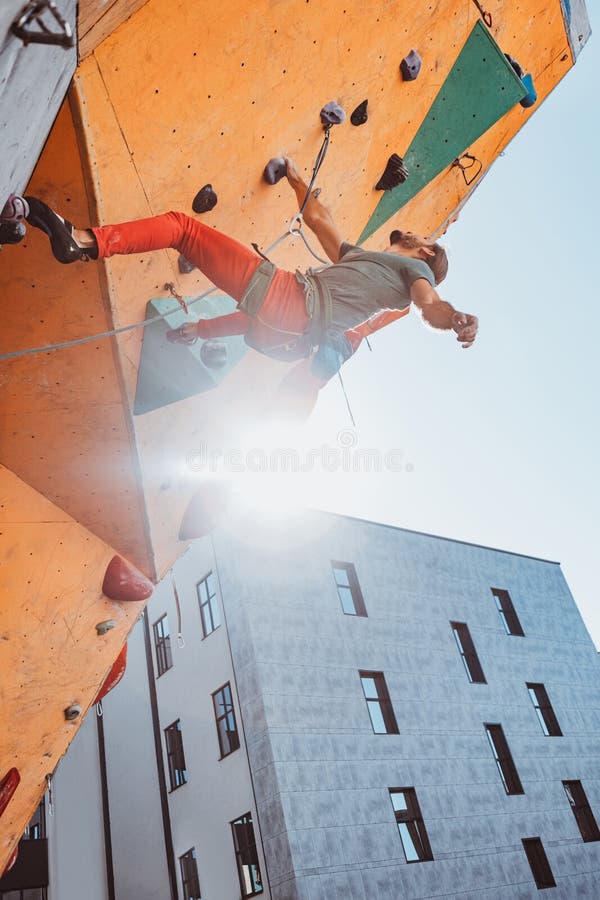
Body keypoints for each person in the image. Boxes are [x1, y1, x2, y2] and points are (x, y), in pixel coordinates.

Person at [5, 157, 478, 383]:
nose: (412, 235)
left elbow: (429, 306)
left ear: (427, 249)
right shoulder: (370, 267)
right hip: (284, 321)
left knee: (181, 229)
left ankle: (81, 241)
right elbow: (320, 221)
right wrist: (294, 177)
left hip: (287, 298)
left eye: (421, 239)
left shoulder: (420, 276)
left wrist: (451, 317)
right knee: (242, 288)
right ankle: (191, 325)